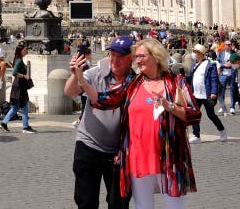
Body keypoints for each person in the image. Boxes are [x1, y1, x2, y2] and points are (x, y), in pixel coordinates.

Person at [80, 37, 199, 208]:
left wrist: (170, 106)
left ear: (156, 57)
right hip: (138, 156)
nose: (138, 60)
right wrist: (81, 80)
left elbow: (194, 115)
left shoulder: (176, 82)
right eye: (136, 56)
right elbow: (104, 100)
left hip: (170, 156)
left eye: (142, 56)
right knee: (142, 206)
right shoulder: (132, 83)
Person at [64, 36, 135, 209]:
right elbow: (70, 91)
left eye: (120, 57)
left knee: (119, 203)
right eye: (112, 55)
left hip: (119, 152)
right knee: (86, 202)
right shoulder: (95, 73)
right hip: (89, 145)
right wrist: (75, 75)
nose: (114, 60)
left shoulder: (135, 81)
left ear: (131, 58)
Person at [186, 44, 226, 143]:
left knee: (211, 115)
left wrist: (213, 92)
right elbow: (190, 77)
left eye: (195, 52)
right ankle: (196, 135)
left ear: (200, 54)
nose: (193, 54)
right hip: (195, 94)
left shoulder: (210, 64)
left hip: (206, 94)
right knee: (194, 114)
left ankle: (222, 130)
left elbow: (214, 79)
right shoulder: (193, 64)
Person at [0, 44, 36, 134]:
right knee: (24, 105)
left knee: (17, 106)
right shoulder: (19, 61)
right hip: (20, 86)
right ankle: (25, 127)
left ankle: (4, 123)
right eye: (25, 50)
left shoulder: (17, 59)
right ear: (20, 51)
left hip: (18, 85)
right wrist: (24, 76)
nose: (26, 51)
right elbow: (14, 73)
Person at [216, 40, 236, 114]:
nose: (229, 45)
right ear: (224, 45)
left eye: (230, 44)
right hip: (223, 74)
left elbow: (238, 62)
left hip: (232, 73)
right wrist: (224, 65)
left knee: (232, 91)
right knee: (221, 91)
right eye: (228, 44)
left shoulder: (233, 53)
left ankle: (232, 107)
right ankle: (222, 106)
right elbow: (217, 62)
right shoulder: (220, 53)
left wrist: (232, 64)